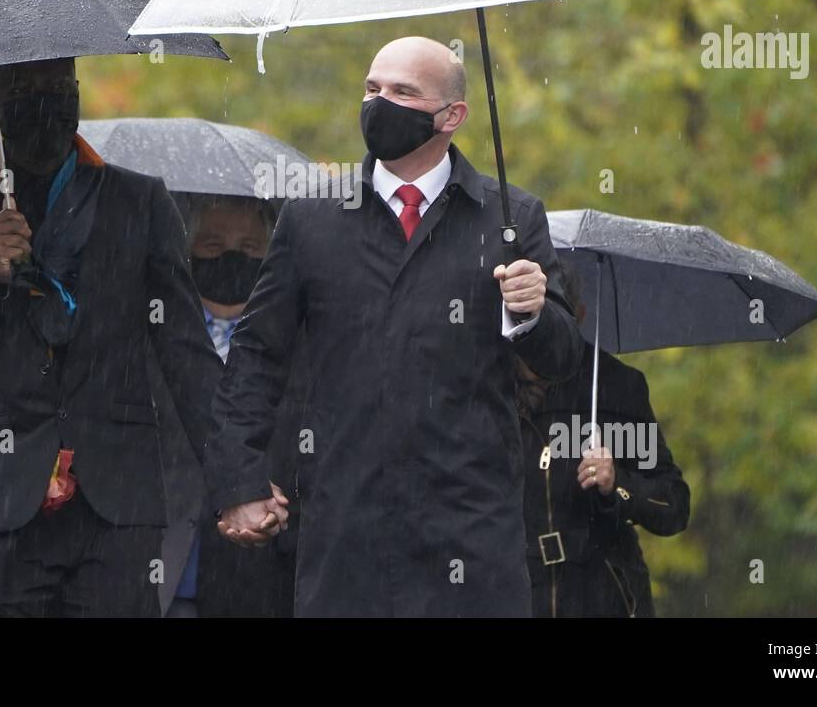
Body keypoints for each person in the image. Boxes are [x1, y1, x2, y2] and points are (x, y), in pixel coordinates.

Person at [206, 36, 585, 617]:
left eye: (403, 92)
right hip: (345, 534)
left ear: (451, 116)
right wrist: (240, 483)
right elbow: (256, 356)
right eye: (372, 88)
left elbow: (562, 361)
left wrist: (532, 312)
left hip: (471, 536)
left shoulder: (511, 218)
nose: (380, 103)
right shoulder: (312, 220)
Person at [0, 56, 224, 617]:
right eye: (24, 91)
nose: (45, 101)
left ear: (77, 92)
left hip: (118, 507)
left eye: (58, 86)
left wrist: (238, 480)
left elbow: (188, 356)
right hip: (0, 508)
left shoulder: (141, 203)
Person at [515, 261, 691, 617]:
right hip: (518, 596)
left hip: (602, 597)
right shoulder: (485, 388)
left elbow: (673, 505)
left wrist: (617, 484)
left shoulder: (615, 389)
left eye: (553, 318)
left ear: (577, 317)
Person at [157, 194, 300, 618]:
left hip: (265, 578)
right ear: (189, 249)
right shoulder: (155, 332)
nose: (233, 256)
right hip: (166, 568)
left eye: (251, 247)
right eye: (214, 245)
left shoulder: (298, 340)